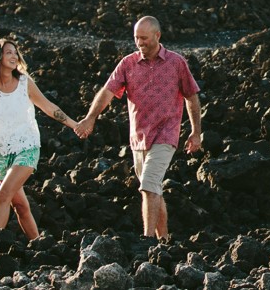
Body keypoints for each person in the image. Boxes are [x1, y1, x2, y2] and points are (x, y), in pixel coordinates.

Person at [75, 16, 202, 241]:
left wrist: (195, 131)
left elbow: (191, 97)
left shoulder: (176, 63)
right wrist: (90, 117)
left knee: (148, 186)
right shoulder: (128, 64)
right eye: (136, 39)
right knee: (153, 188)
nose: (140, 43)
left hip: (166, 133)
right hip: (139, 138)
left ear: (157, 36)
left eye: (144, 38)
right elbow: (107, 92)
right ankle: (164, 241)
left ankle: (147, 241)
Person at [0, 38, 78, 239]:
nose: (14, 56)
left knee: (3, 194)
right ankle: (38, 243)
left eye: (15, 53)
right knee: (21, 206)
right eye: (9, 52)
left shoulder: (25, 82)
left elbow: (48, 107)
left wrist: (75, 124)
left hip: (27, 146)